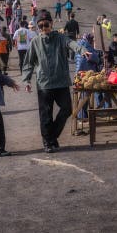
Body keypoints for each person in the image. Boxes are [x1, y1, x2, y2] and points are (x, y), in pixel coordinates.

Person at [22, 10, 88, 153]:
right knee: (45, 114)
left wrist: (82, 50)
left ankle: (51, 137)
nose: (44, 28)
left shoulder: (60, 38)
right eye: (41, 26)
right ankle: (48, 142)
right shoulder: (35, 42)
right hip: (44, 83)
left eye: (46, 25)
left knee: (67, 109)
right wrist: (27, 80)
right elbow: (28, 63)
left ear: (51, 24)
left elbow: (71, 43)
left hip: (61, 81)